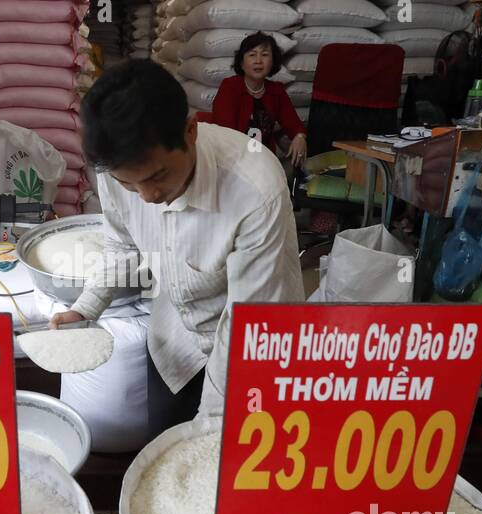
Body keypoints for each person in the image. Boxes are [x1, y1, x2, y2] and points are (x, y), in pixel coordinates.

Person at [49, 60, 304, 436]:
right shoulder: (116, 169)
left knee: (226, 460)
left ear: (190, 131)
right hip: (176, 344)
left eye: (157, 177)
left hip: (251, 346)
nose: (147, 197)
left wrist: (212, 422)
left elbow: (248, 325)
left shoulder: (255, 189)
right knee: (166, 443)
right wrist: (86, 308)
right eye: (130, 185)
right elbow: (122, 245)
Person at [211, 32, 308, 168]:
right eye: (252, 55)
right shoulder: (230, 88)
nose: (258, 60)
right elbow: (225, 136)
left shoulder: (276, 91)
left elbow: (293, 123)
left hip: (264, 162)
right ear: (242, 63)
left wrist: (299, 137)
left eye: (265, 55)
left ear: (273, 61)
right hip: (232, 162)